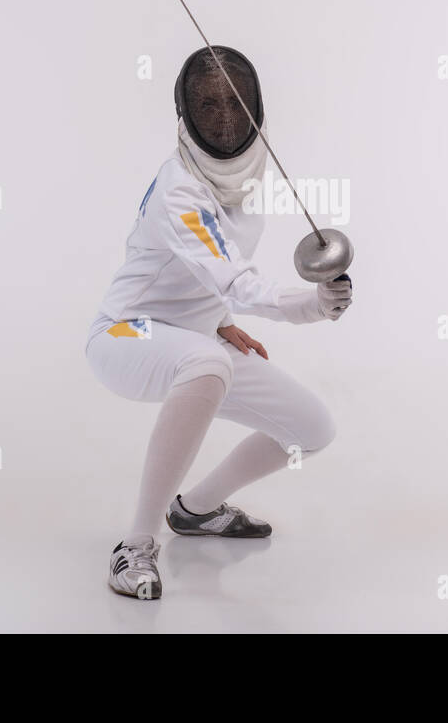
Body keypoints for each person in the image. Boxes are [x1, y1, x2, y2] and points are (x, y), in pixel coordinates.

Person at [85, 45, 353, 599]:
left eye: (235, 104)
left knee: (312, 429)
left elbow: (206, 271)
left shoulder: (244, 187)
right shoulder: (179, 190)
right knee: (206, 364)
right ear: (185, 115)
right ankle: (134, 545)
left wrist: (220, 318)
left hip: (193, 337)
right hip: (124, 332)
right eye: (209, 106)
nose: (226, 120)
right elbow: (235, 277)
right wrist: (310, 304)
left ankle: (197, 510)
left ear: (256, 108)